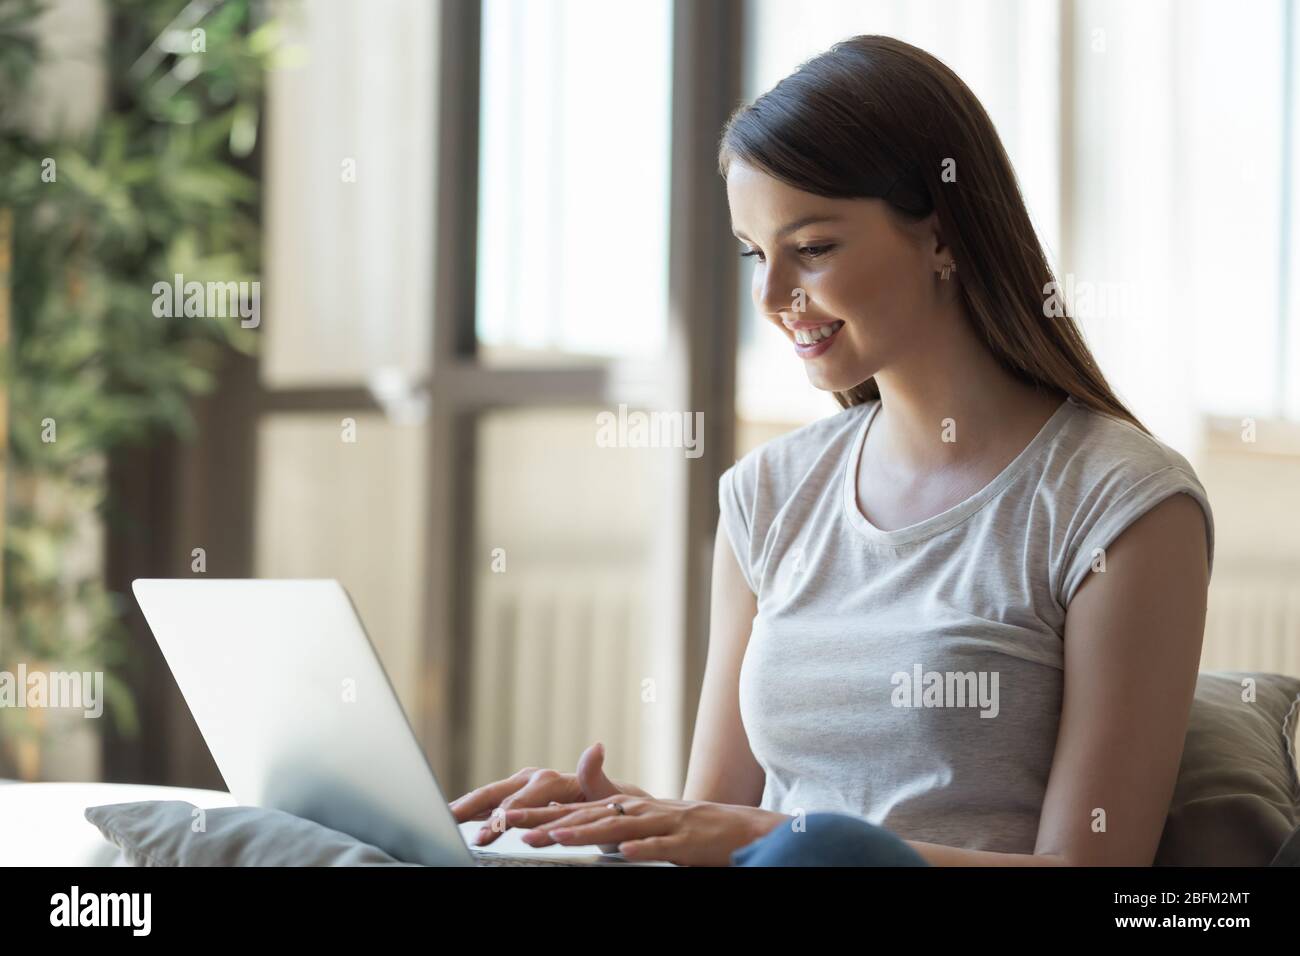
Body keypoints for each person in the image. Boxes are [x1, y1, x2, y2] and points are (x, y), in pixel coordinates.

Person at [451, 34, 1213, 867]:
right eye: (754, 253)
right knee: (316, 840)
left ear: (943, 237)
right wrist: (621, 818)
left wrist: (784, 837)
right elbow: (715, 816)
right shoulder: (768, 494)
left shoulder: (1122, 505)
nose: (771, 296)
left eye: (811, 248)